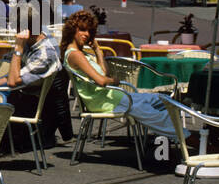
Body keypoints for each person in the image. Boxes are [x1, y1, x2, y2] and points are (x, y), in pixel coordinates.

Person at [62, 10, 177, 140]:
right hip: (107, 102)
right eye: (82, 30)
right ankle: (182, 139)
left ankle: (171, 140)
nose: (86, 34)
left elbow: (104, 72)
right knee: (161, 111)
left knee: (163, 100)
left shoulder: (81, 53)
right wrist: (114, 80)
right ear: (73, 30)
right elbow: (101, 80)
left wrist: (97, 50)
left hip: (115, 98)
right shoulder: (75, 55)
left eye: (89, 31)